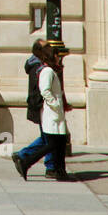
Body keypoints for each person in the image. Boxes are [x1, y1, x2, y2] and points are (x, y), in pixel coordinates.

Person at [12, 40, 55, 180]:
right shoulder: (39, 66)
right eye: (47, 47)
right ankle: (50, 166)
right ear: (39, 50)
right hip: (42, 107)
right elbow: (41, 90)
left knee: (47, 137)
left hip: (39, 105)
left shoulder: (35, 64)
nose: (50, 49)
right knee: (49, 138)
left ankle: (24, 155)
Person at [37, 43, 73, 182]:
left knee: (56, 144)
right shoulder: (48, 71)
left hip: (56, 113)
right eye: (57, 55)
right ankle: (25, 159)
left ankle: (59, 170)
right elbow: (45, 91)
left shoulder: (52, 71)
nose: (59, 58)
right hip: (53, 113)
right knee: (52, 144)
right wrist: (55, 103)